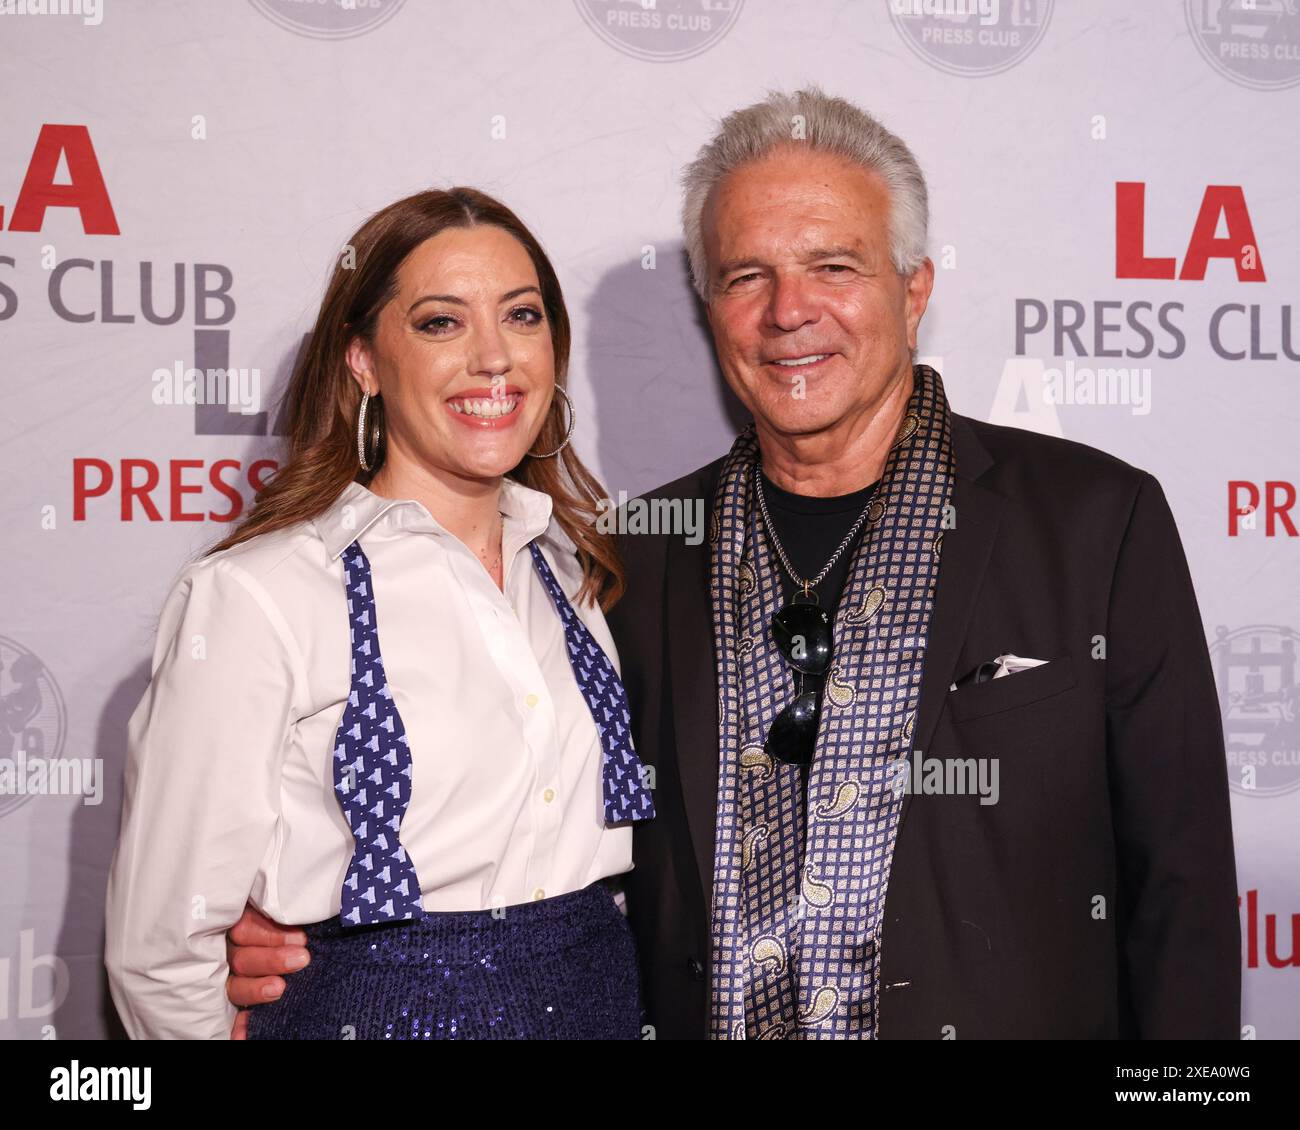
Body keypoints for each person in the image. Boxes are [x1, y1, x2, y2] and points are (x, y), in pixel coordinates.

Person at [224, 88, 1241, 1040]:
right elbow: (530, 833)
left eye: (833, 267)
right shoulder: (634, 551)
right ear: (709, 307)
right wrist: (308, 930)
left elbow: (1181, 889)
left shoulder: (1093, 519)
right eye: (746, 276)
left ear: (914, 286)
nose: (787, 309)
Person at [104, 187, 654, 1040]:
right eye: (441, 323)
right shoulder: (262, 594)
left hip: (600, 1007)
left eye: (522, 316)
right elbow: (162, 948)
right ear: (363, 360)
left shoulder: (574, 574)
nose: (494, 358)